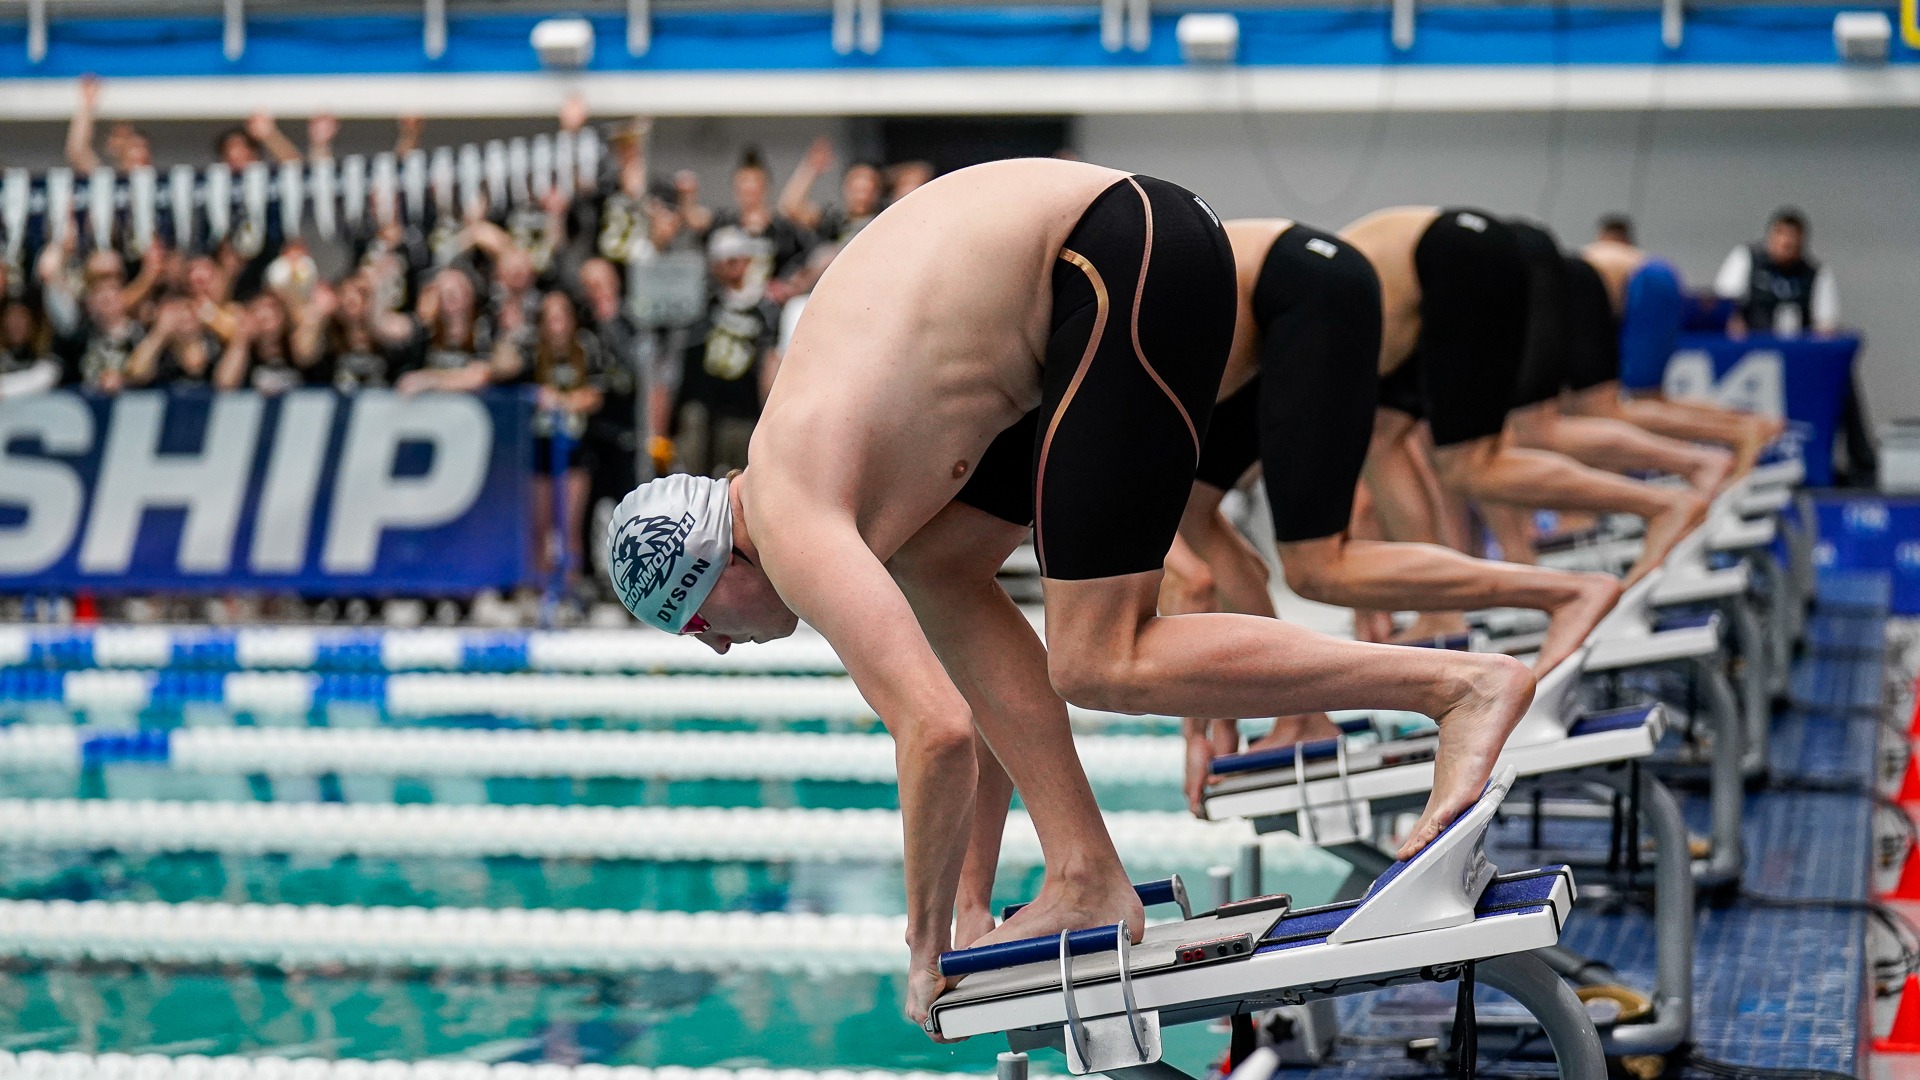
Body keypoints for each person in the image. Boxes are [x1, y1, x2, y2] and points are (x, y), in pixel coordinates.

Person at [602, 160, 1536, 1023]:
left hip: (1115, 258)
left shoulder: (787, 510)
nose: (716, 644)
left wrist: (923, 947)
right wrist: (970, 902)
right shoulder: (832, 479)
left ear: (721, 565)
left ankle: (1456, 688)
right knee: (944, 572)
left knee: (1100, 658)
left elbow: (934, 734)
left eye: (698, 622)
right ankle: (1084, 870)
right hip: (1110, 260)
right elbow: (975, 702)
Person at [1165, 218, 1624, 809]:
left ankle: (1563, 592)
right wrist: (1226, 712)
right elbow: (1207, 569)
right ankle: (1303, 713)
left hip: (1300, 293)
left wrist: (1201, 731)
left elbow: (1192, 586)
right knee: (1210, 510)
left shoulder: (1082, 436)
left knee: (1320, 568)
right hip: (1301, 282)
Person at [1339, 207, 1708, 582]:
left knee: (1480, 457)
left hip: (1453, 257)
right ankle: (1469, 579)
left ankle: (1668, 498)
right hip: (1479, 244)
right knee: (1408, 441)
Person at [1500, 220, 1733, 501]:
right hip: (1652, 279)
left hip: (1643, 284)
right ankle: (1738, 428)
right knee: (1639, 402)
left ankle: (1722, 445)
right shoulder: (1597, 257)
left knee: (1610, 409)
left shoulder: (1583, 261)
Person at [1578, 232, 1783, 473]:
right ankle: (1750, 423)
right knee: (1649, 400)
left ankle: (1738, 434)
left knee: (1626, 405)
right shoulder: (1577, 266)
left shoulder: (1562, 282)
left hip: (1643, 285)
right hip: (1654, 277)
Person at [671, 226, 781, 477]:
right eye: (719, 261)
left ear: (747, 260)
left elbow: (770, 361)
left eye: (732, 259)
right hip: (702, 406)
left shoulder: (765, 308)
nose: (726, 267)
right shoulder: (703, 302)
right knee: (696, 478)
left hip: (743, 410)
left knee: (740, 478)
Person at [1714, 207, 1838, 339]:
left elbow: (1826, 325)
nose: (1786, 242)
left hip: (1798, 346)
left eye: (1792, 238)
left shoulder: (1816, 274)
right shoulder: (1747, 259)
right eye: (1781, 235)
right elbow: (1723, 304)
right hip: (1753, 343)